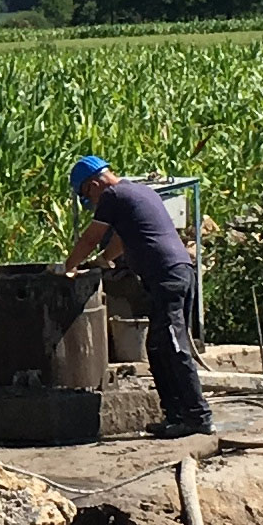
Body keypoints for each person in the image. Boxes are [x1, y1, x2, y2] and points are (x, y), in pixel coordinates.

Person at [64, 154, 213, 436]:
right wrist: (103, 260)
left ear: (95, 184)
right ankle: (176, 415)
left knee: (173, 346)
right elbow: (121, 239)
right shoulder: (138, 191)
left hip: (168, 276)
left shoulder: (113, 195)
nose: (92, 202)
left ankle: (198, 417)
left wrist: (67, 267)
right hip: (176, 273)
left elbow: (90, 237)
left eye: (87, 195)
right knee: (157, 348)